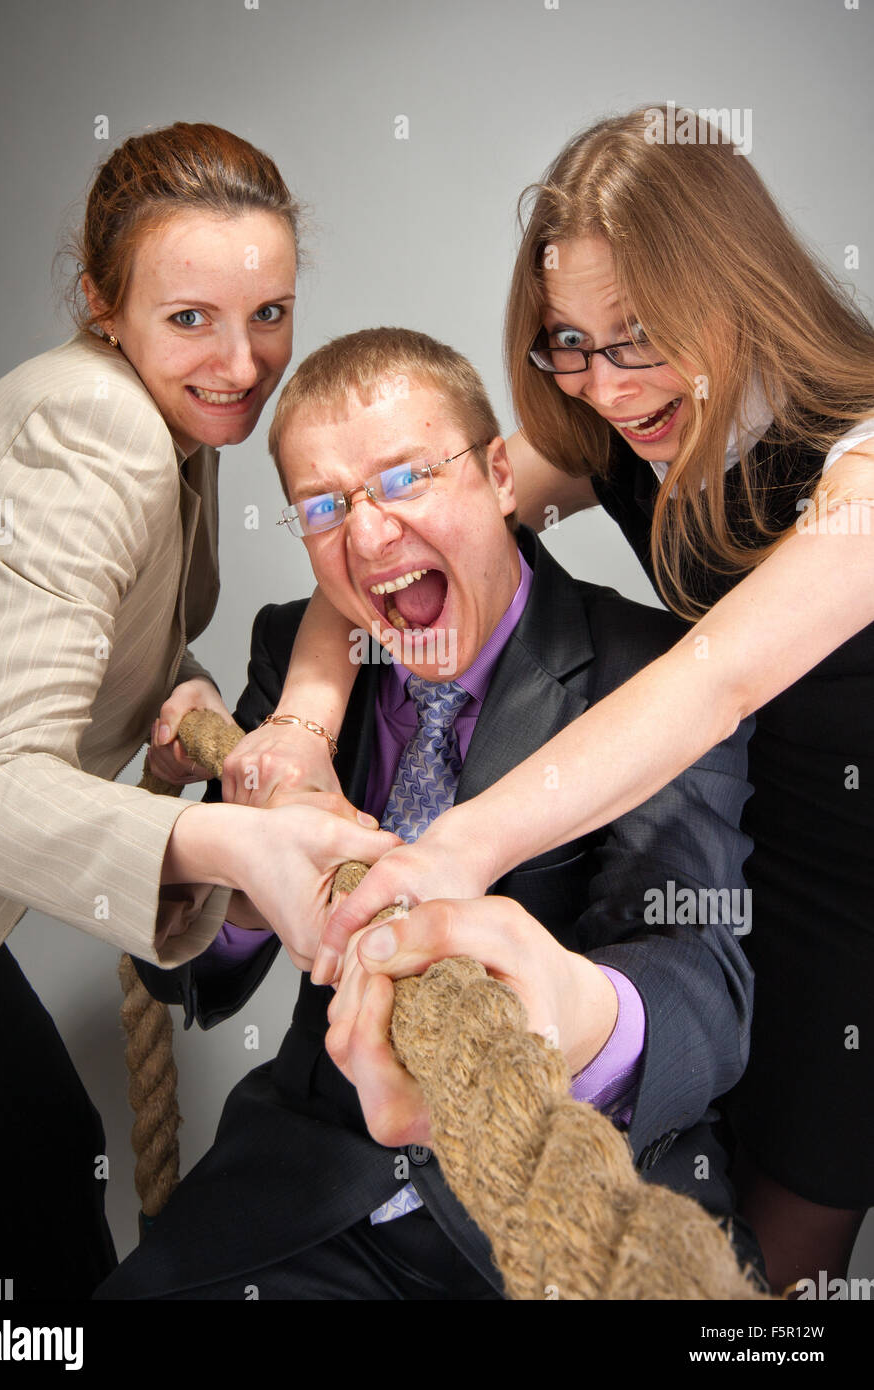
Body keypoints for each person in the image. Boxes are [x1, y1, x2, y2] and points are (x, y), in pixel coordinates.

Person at [280, 111, 874, 1294]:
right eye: (570, 343)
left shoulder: (861, 459)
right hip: (749, 893)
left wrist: (452, 846)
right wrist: (302, 721)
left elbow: (719, 675)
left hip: (857, 918)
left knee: (782, 1284)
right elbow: (394, 539)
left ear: (739, 287)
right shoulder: (616, 430)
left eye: (640, 335)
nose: (608, 384)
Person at [96, 327, 760, 1300]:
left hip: (558, 1212)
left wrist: (568, 1023)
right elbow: (195, 979)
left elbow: (705, 978)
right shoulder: (294, 654)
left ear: (499, 474)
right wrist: (247, 892)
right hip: (305, 1198)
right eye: (322, 506)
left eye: (405, 478)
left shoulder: (651, 667)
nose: (366, 537)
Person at [0, 123, 394, 1298]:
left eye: (271, 314)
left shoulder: (166, 419)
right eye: (192, 318)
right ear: (102, 303)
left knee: (37, 1159)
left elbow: (70, 613)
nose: (244, 363)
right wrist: (234, 841)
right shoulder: (100, 432)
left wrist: (170, 679)